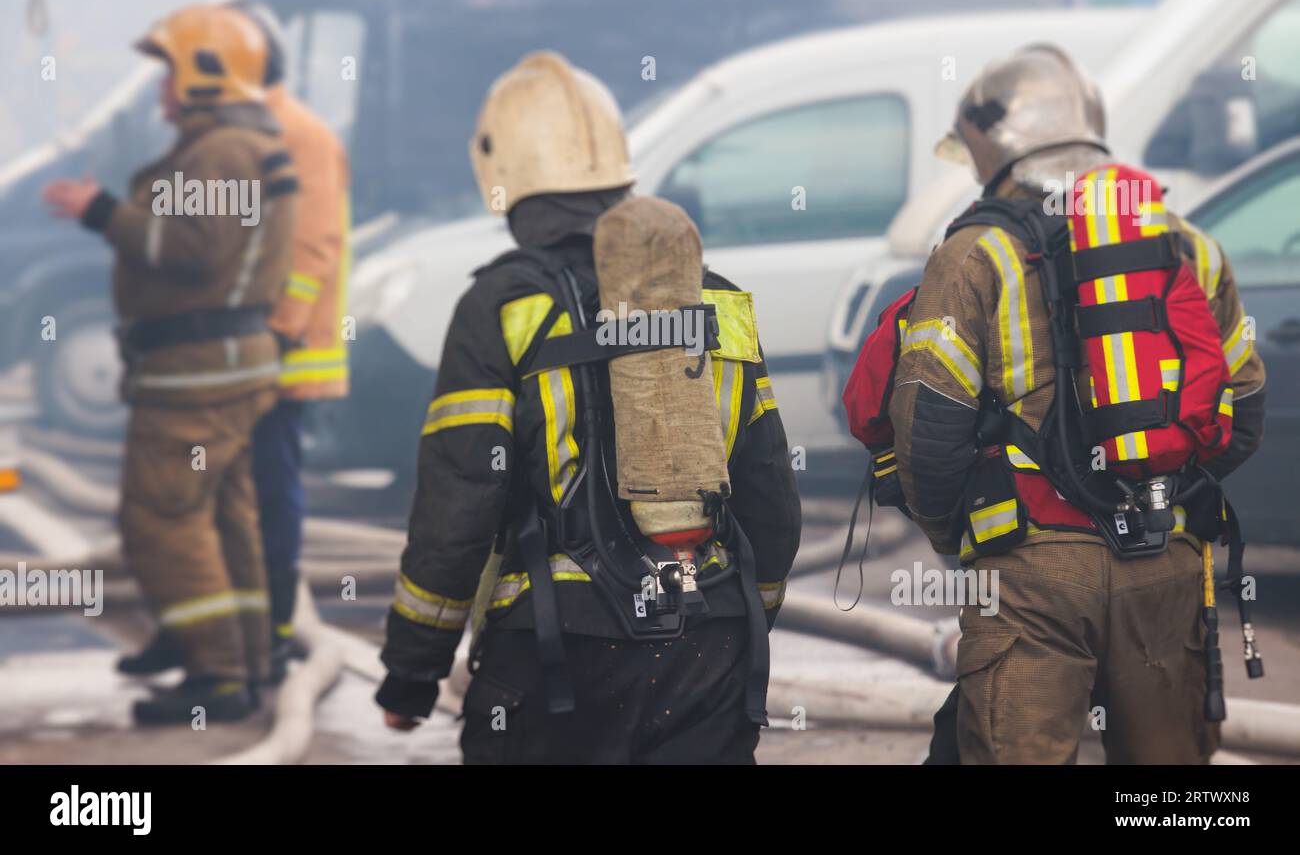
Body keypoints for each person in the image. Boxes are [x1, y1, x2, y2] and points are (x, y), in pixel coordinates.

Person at [373, 51, 801, 763]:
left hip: (555, 658)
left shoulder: (501, 307)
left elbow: (459, 507)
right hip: (706, 645)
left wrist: (412, 672)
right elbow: (769, 493)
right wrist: (744, 615)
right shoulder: (713, 294)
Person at [891, 45, 1265, 764]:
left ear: (989, 153)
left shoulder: (976, 254)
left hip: (1030, 576)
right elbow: (1241, 415)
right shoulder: (1188, 244)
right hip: (1168, 563)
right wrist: (1168, 488)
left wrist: (958, 538)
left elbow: (927, 430)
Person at [43, 4, 299, 724]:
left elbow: (190, 250)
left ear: (206, 74)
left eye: (169, 72)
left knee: (163, 519)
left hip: (196, 379)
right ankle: (246, 659)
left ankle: (216, 673)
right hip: (227, 371)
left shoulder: (220, 153)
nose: (159, 90)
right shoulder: (241, 146)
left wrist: (100, 210)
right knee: (224, 518)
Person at [235, 1, 352, 681]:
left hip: (279, 357)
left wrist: (273, 332)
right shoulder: (248, 130)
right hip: (246, 355)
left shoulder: (297, 133)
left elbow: (311, 246)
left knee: (270, 489)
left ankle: (274, 629)